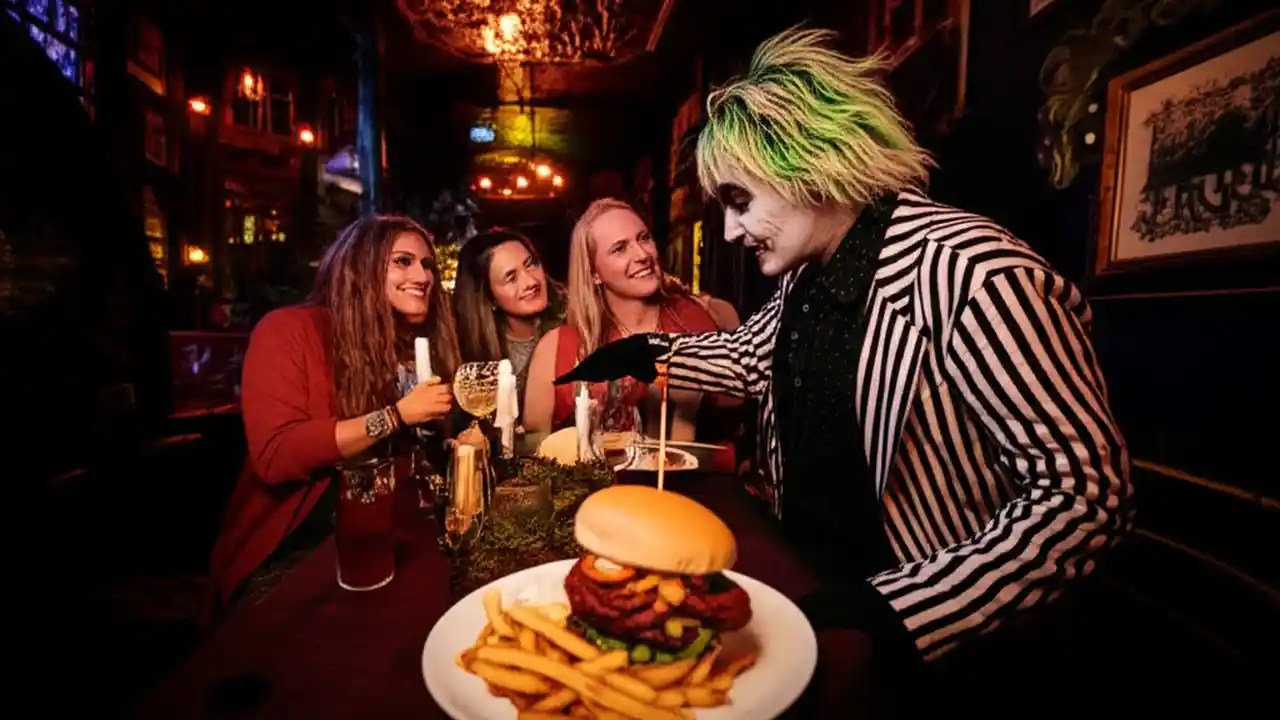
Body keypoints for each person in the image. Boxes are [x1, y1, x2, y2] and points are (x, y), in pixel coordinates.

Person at [555, 26, 1133, 713]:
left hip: (934, 647)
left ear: (809, 162)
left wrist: (891, 610)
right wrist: (638, 354)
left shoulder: (974, 274)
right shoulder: (804, 277)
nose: (732, 231)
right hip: (813, 585)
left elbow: (1084, 498)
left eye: (740, 201)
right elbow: (748, 355)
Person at [207, 214, 461, 614]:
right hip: (297, 551)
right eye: (403, 261)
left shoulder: (414, 347)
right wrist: (394, 416)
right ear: (361, 265)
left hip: (393, 533)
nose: (423, 275)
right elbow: (276, 455)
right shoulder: (289, 330)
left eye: (427, 264)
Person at [523, 198, 719, 441]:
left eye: (644, 238)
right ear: (594, 273)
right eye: (619, 248)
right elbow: (533, 448)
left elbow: (730, 431)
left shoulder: (692, 320)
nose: (642, 255)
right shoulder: (556, 348)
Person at [452, 228, 565, 420]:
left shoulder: (572, 324)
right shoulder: (472, 356)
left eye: (531, 265)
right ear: (490, 298)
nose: (531, 281)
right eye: (511, 278)